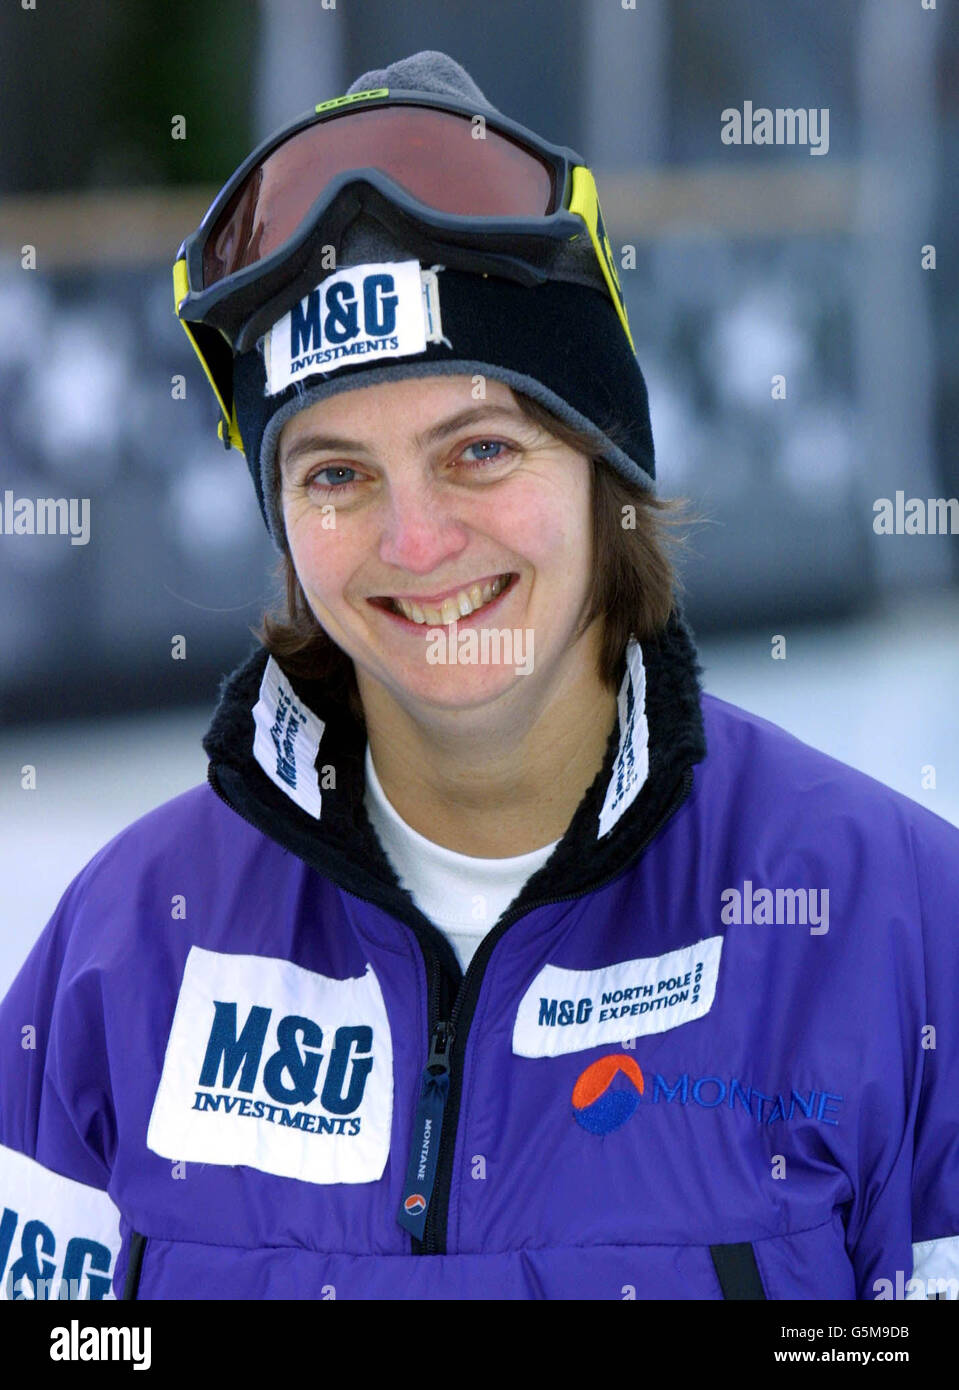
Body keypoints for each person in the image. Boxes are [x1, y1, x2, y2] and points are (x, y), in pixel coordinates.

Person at [0, 49, 957, 1304]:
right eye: (335, 473)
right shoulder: (124, 949)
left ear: (600, 471)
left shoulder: (892, 921)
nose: (416, 542)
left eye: (481, 447)